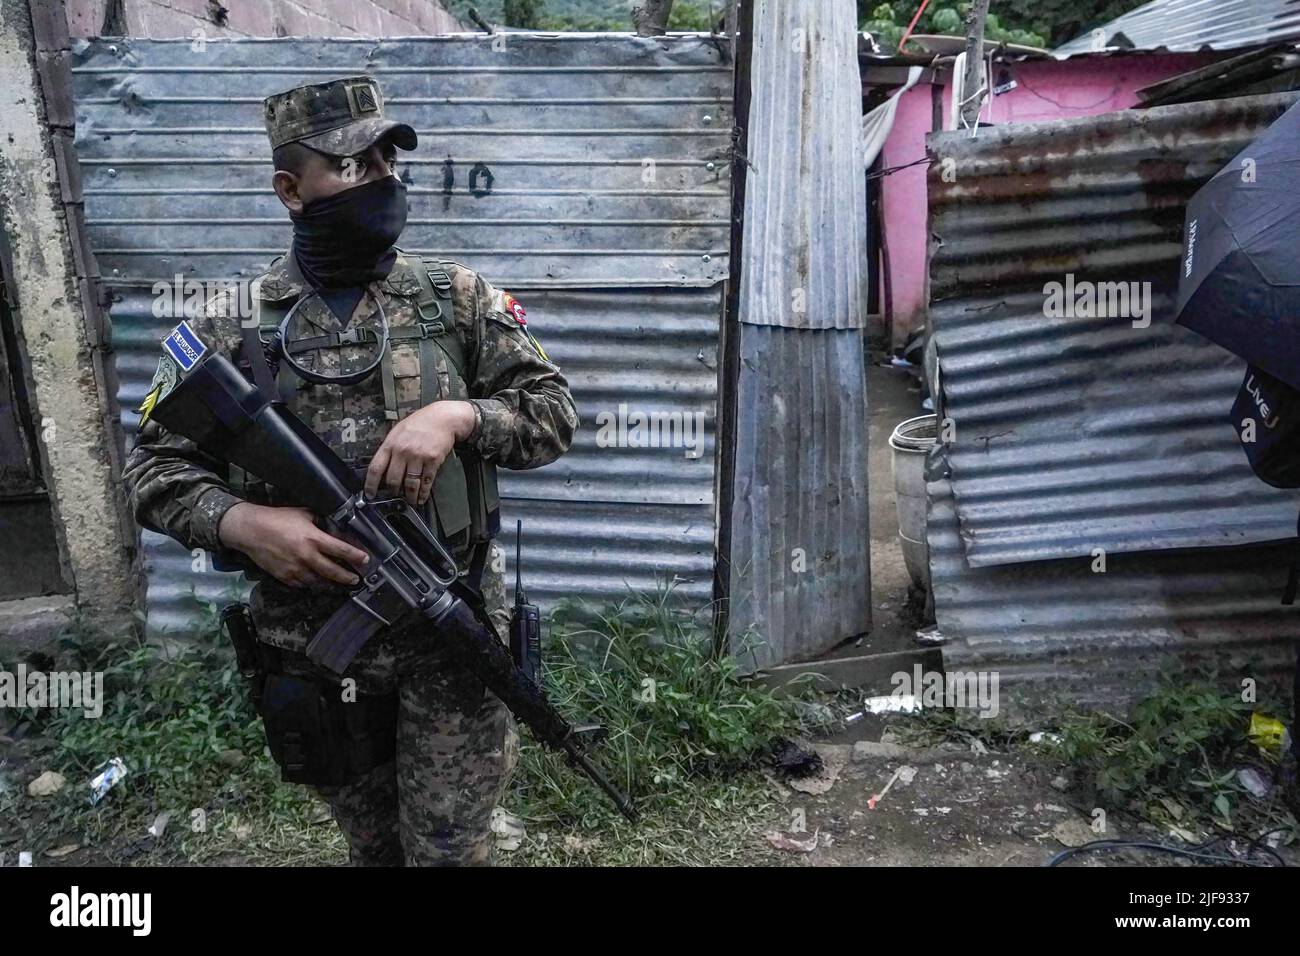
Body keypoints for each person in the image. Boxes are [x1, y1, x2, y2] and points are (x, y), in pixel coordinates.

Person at [122, 76, 578, 866]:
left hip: (451, 628)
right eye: (351, 165)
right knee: (373, 847)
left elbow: (553, 414)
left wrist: (462, 415)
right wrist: (239, 522)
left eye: (384, 159)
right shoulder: (231, 323)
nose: (380, 178)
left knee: (446, 848)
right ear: (290, 190)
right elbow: (152, 467)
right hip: (312, 646)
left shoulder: (454, 298)